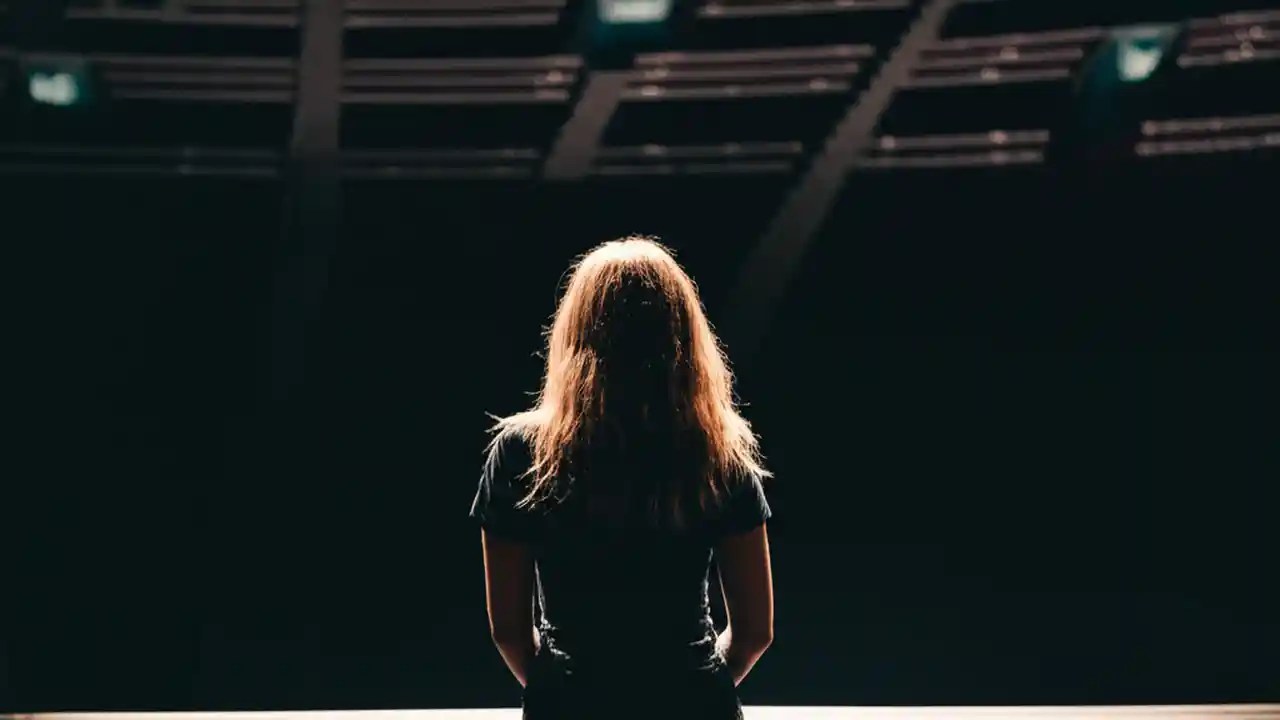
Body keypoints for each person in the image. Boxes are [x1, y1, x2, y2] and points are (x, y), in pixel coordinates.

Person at [470, 236, 775, 720]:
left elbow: (508, 629)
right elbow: (756, 630)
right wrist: (693, 683)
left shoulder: (521, 452)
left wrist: (564, 689)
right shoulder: (718, 451)